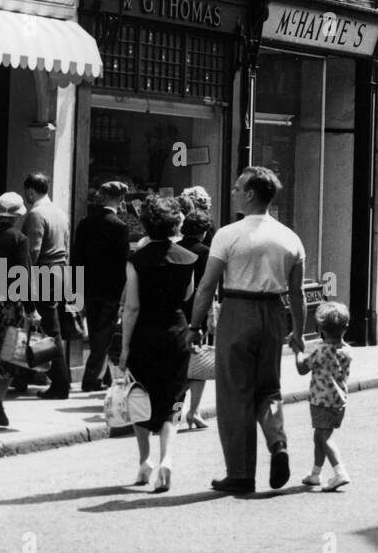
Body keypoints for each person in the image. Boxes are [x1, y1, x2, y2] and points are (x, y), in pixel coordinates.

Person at [189, 167, 306, 495]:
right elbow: (296, 295)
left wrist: (195, 326)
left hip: (238, 311)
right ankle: (277, 443)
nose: (234, 191)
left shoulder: (227, 234)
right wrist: (297, 332)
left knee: (234, 393)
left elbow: (206, 286)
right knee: (269, 389)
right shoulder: (290, 238)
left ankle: (240, 473)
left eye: (239, 188)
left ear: (252, 194)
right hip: (274, 312)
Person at [119, 195, 198, 492]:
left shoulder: (136, 260)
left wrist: (125, 348)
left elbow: (132, 307)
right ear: (174, 223)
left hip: (143, 334)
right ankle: (167, 458)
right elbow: (188, 295)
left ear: (146, 224)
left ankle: (145, 460)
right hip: (176, 332)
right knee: (173, 398)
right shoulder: (188, 258)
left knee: (140, 396)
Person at [73, 182, 132, 394]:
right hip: (110, 290)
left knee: (98, 331)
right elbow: (122, 263)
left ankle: (103, 377)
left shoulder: (85, 222)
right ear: (120, 199)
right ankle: (90, 379)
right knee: (102, 334)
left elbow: (77, 258)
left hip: (88, 287)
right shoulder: (120, 226)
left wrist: (76, 289)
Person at [0, 193, 32, 427]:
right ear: (17, 216)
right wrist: (32, 309)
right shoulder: (19, 239)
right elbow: (24, 278)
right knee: (10, 353)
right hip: (10, 304)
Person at [20, 173, 72, 399]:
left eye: (26, 193)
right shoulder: (60, 213)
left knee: (49, 330)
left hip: (43, 273)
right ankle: (21, 377)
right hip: (60, 271)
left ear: (31, 191)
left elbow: (32, 252)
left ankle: (61, 383)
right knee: (39, 327)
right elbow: (67, 246)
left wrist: (25, 282)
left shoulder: (36, 214)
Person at [295, 300, 353, 491]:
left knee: (324, 437)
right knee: (320, 435)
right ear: (345, 327)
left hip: (321, 401)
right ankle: (315, 473)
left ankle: (340, 472)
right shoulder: (347, 351)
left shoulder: (321, 351)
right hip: (338, 403)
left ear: (320, 328)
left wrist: (298, 351)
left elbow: (302, 368)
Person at [176, 194, 214, 428]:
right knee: (199, 364)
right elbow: (208, 287)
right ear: (204, 231)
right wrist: (210, 316)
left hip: (176, 311)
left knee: (179, 366)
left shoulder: (174, 248)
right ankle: (194, 411)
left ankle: (176, 411)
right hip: (197, 312)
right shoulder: (206, 252)